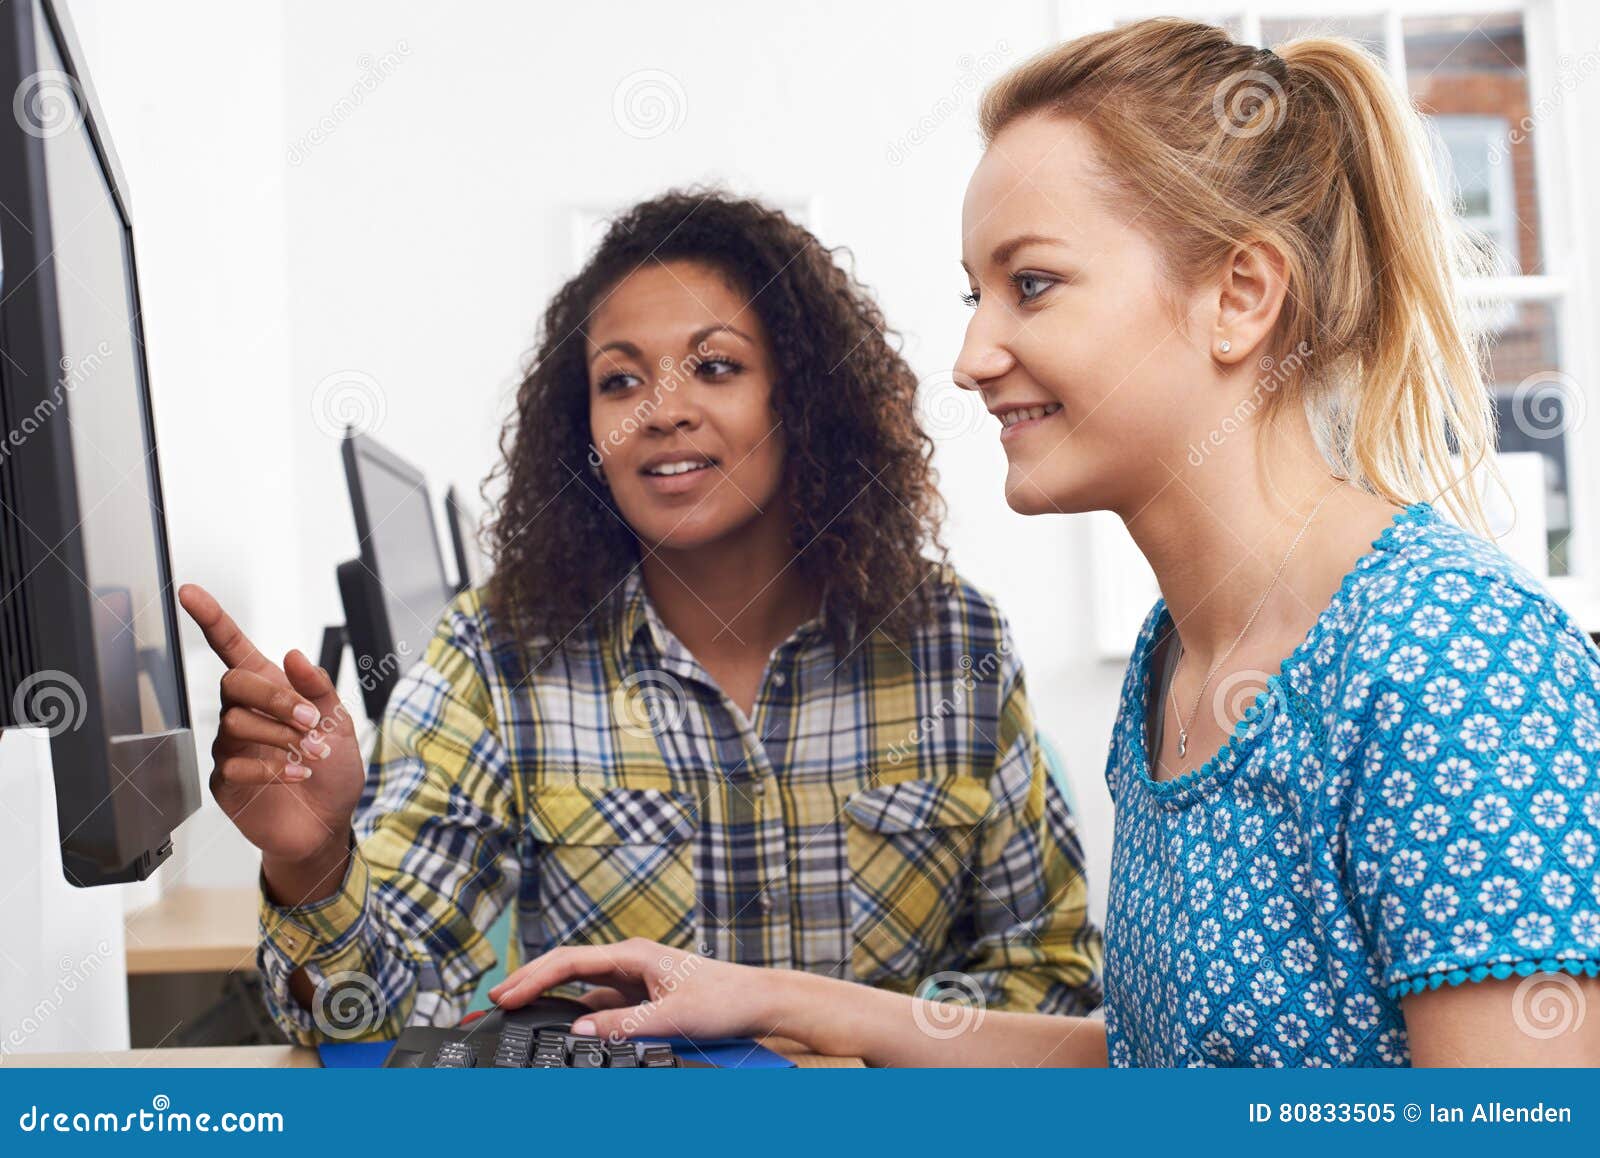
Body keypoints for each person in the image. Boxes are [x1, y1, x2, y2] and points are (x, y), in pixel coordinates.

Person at [489, 21, 1600, 1067]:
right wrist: (768, 996)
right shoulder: (1181, 653)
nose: (972, 354)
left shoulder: (1447, 659)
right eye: (976, 295)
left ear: (1241, 295)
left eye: (1032, 286)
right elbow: (1144, 1062)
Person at [178, 190, 1102, 1044]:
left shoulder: (951, 643)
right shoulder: (496, 656)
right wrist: (314, 865)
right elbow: (374, 1023)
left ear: (804, 402)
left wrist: (838, 1038)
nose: (662, 412)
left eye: (714, 366)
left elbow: (1053, 975)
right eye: (620, 382)